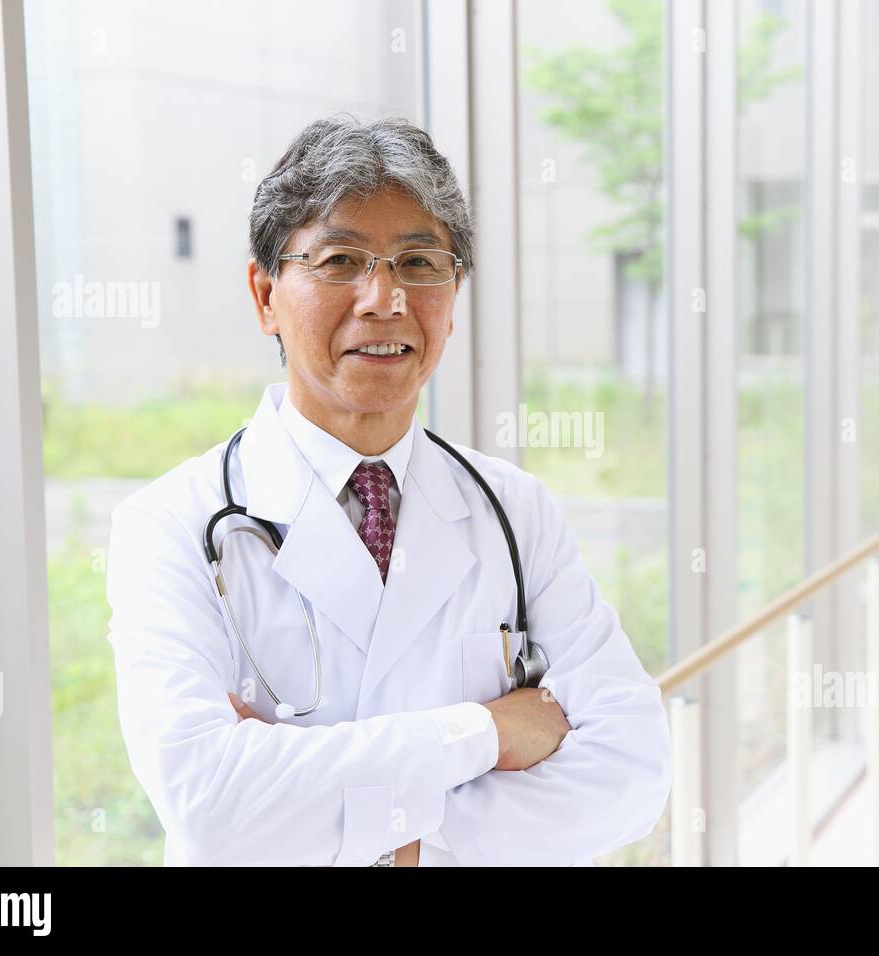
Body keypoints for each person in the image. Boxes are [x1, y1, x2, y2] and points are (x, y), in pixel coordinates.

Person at [105, 113, 672, 866]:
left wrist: (383, 840)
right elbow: (213, 807)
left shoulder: (516, 512)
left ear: (454, 289)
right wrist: (487, 732)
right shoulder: (169, 527)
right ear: (265, 293)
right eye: (341, 260)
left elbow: (633, 771)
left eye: (418, 262)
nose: (385, 299)